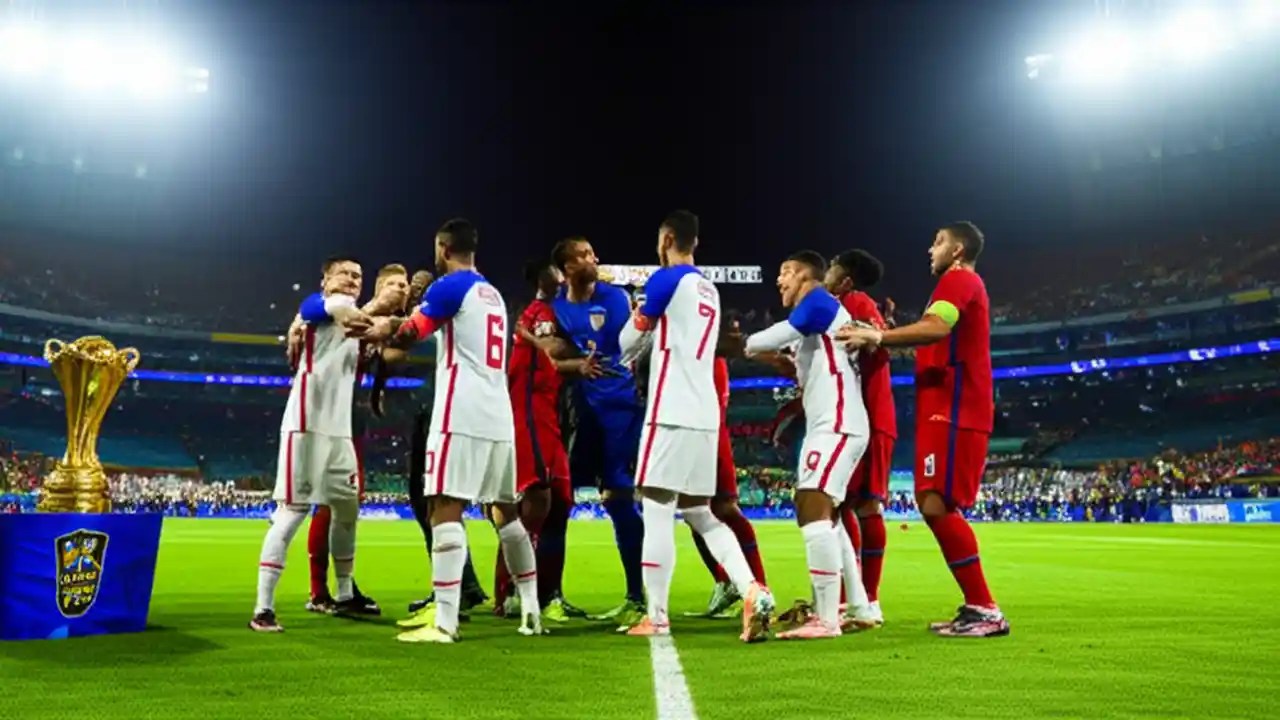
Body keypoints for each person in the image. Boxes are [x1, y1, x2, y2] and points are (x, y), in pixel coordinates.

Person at [367, 218, 544, 643]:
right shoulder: (494, 295)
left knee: (444, 507)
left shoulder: (450, 286)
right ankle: (532, 611)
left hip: (459, 410)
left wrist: (387, 329)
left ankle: (444, 622)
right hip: (498, 413)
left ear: (443, 248)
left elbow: (412, 332)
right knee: (506, 512)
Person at [837, 221, 1009, 638]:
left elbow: (938, 327)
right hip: (944, 406)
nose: (930, 250)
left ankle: (986, 608)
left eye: (938, 242)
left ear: (958, 249)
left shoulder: (959, 281)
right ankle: (977, 607)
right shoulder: (953, 285)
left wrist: (879, 334)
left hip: (955, 407)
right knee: (931, 502)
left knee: (935, 503)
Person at [616, 210, 774, 641]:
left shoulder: (666, 280)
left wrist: (636, 320)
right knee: (701, 512)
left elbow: (627, 342)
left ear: (666, 239)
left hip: (671, 408)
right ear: (695, 242)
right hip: (706, 412)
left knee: (656, 507)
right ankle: (750, 589)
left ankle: (658, 615)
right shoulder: (709, 288)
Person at [742, 250, 874, 639]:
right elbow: (796, 355)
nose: (779, 281)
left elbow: (782, 333)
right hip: (832, 422)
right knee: (827, 515)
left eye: (784, 273)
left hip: (836, 422)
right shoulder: (818, 318)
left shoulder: (817, 300)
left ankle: (827, 619)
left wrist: (745, 344)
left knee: (811, 506)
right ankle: (860, 606)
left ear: (802, 274)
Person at [249, 256, 373, 632]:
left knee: (347, 509)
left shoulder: (346, 311)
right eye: (345, 274)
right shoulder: (320, 306)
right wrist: (381, 311)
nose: (352, 280)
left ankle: (345, 593)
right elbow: (333, 312)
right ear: (326, 279)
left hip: (339, 432)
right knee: (292, 511)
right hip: (306, 425)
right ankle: (263, 609)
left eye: (358, 276)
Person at [291, 263, 410, 616]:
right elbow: (315, 312)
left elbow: (397, 349)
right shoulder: (348, 314)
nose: (400, 289)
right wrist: (297, 324)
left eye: (404, 285)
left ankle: (342, 588)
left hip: (352, 422)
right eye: (392, 284)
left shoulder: (390, 327)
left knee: (346, 505)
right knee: (326, 504)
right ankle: (319, 591)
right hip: (324, 416)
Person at [492, 258, 601, 620]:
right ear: (547, 277)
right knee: (535, 503)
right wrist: (584, 346)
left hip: (550, 415)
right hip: (529, 413)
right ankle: (508, 593)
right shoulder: (540, 311)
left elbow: (554, 357)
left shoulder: (556, 313)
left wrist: (580, 361)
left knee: (561, 504)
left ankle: (550, 594)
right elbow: (550, 348)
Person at [550, 236, 646, 625]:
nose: (595, 259)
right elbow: (550, 350)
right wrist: (575, 365)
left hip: (619, 407)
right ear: (568, 267)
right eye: (585, 255)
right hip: (576, 411)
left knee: (619, 499)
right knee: (558, 502)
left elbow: (624, 345)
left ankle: (637, 596)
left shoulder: (615, 297)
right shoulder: (554, 304)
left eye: (593, 252)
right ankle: (550, 596)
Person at [825, 249, 895, 626]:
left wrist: (869, 337)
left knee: (864, 506)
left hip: (869, 416)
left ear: (847, 278)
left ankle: (868, 598)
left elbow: (878, 344)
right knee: (842, 504)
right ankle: (851, 597)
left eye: (833, 265)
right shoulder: (842, 304)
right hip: (856, 417)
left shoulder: (857, 302)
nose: (827, 270)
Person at [685, 318, 770, 618]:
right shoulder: (703, 351)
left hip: (706, 434)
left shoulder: (708, 353)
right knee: (697, 512)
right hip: (701, 433)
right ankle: (729, 582)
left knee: (722, 509)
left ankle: (757, 587)